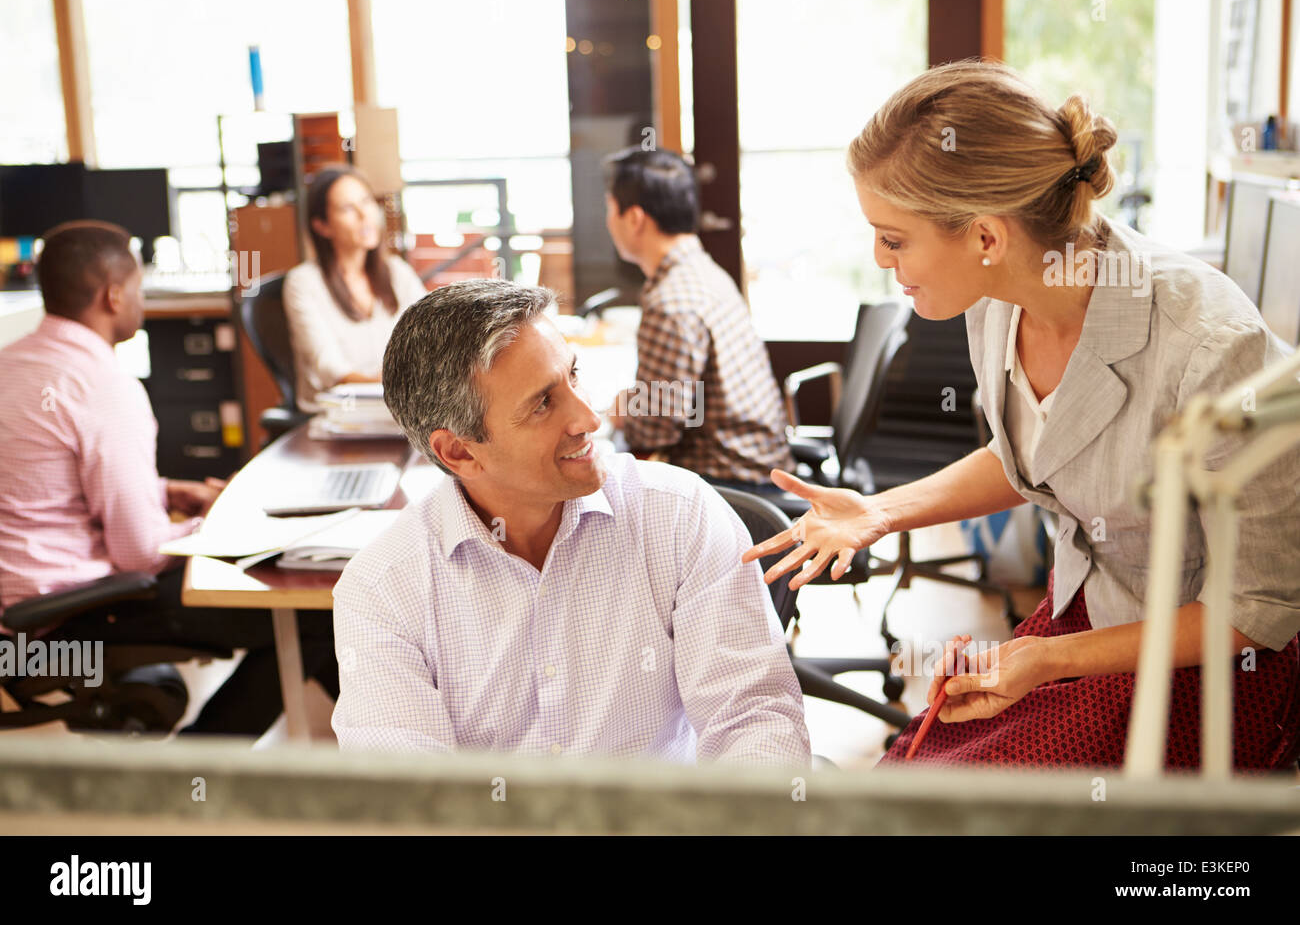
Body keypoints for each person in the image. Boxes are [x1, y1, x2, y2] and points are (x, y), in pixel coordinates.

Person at [745, 61, 1300, 772]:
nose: (882, 261)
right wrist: (881, 512)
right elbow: (1035, 455)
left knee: (946, 803)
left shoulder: (1211, 349)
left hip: (1206, 671)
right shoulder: (997, 306)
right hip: (1084, 617)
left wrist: (1046, 660)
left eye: (893, 238)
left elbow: (1258, 611)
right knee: (910, 764)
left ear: (985, 237)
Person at [331, 278, 810, 765]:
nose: (589, 418)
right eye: (542, 403)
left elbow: (752, 719)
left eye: (573, 376)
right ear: (458, 451)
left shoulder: (679, 515)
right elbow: (410, 797)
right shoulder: (382, 591)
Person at [0, 221, 338, 737]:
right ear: (114, 296)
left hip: (16, 621)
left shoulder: (14, 364)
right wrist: (215, 517)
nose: (141, 300)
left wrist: (163, 491)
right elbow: (140, 553)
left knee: (303, 597)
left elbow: (44, 486)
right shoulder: (103, 385)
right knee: (312, 610)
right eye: (138, 287)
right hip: (69, 618)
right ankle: (191, 774)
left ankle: (420, 754)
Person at [602, 147, 795, 495]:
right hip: (759, 468)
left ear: (634, 218)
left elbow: (654, 429)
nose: (607, 222)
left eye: (609, 209)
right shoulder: (702, 272)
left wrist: (622, 409)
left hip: (732, 484)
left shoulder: (671, 302)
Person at [283, 164, 426, 412]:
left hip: (397, 407)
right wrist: (399, 384)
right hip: (340, 414)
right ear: (322, 226)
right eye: (348, 208)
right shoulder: (304, 283)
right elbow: (331, 370)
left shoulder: (396, 271)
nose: (364, 215)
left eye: (367, 202)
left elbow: (430, 337)